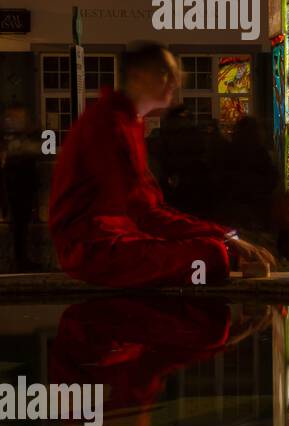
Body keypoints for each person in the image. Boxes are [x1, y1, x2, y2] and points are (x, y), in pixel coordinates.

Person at [49, 42, 275, 287]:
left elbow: (148, 205)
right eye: (166, 73)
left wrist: (224, 235)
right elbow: (143, 211)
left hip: (110, 236)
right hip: (92, 247)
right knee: (211, 255)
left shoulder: (128, 121)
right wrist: (225, 237)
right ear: (138, 76)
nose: (175, 82)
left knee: (213, 249)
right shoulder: (110, 125)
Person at [1, 106, 43, 270]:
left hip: (22, 187)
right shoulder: (16, 142)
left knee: (21, 226)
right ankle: (20, 260)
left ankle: (20, 259)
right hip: (18, 189)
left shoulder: (22, 139)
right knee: (19, 226)